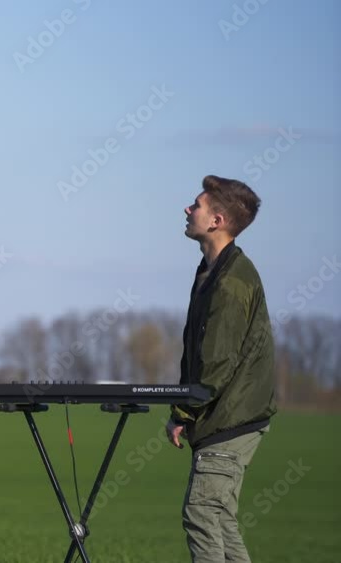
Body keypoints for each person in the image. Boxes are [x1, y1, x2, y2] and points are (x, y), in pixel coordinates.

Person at [166, 175, 277, 562]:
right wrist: (185, 410)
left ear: (217, 221)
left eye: (196, 205)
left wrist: (183, 411)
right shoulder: (213, 270)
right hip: (226, 416)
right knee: (220, 520)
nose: (187, 209)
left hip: (230, 418)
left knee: (202, 513)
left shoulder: (230, 282)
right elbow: (198, 353)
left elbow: (215, 363)